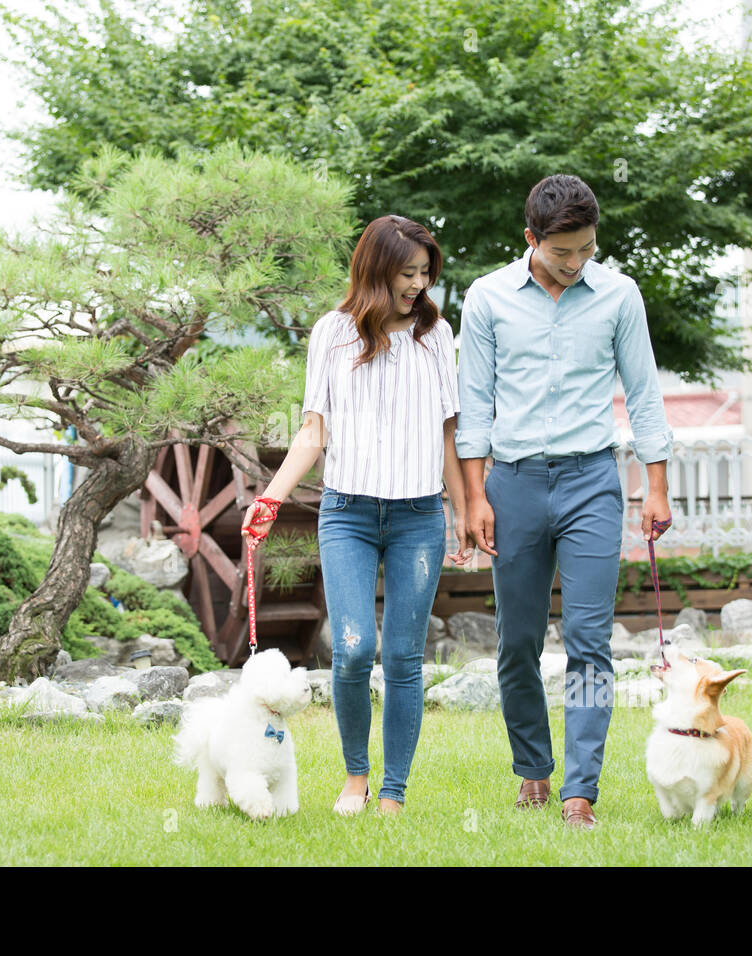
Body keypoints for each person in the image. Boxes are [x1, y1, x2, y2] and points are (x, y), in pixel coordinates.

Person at [455, 174, 674, 830]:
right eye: (562, 253)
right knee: (517, 641)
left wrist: (655, 484)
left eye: (586, 249)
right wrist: (473, 497)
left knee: (587, 639)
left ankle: (581, 789)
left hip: (591, 484)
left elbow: (643, 391)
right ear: (532, 239)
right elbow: (473, 406)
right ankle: (533, 768)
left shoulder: (618, 295)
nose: (576, 263)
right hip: (513, 484)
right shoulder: (488, 298)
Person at [241, 215, 471, 817]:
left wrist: (467, 512)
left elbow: (450, 435)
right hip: (347, 513)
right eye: (408, 273)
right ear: (375, 271)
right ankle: (355, 776)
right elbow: (313, 432)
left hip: (420, 515)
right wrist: (270, 498)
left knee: (401, 657)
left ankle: (393, 790)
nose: (419, 285)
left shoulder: (436, 336)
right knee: (350, 648)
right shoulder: (332, 334)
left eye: (426, 273)